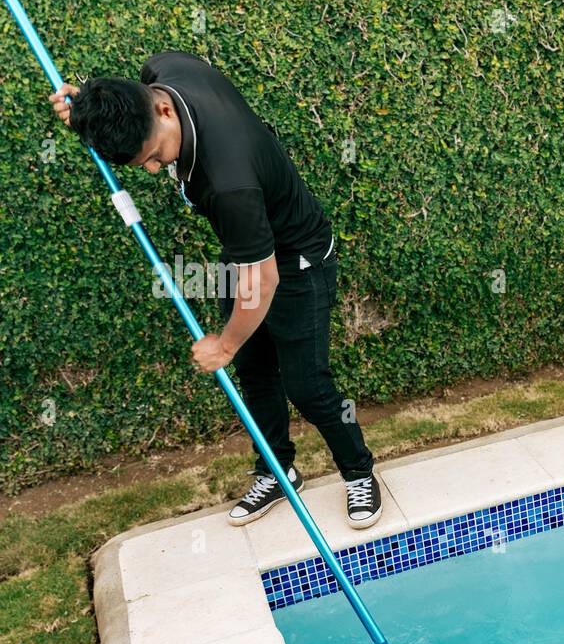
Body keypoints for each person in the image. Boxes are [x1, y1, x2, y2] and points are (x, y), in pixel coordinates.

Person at [50, 50, 381, 529]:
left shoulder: (229, 183)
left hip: (296, 261)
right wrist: (88, 106)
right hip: (247, 250)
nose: (151, 168)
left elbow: (263, 281)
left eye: (154, 155)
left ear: (164, 112)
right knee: (255, 372)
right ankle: (277, 468)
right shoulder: (166, 72)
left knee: (307, 387)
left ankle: (358, 471)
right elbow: (127, 92)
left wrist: (223, 345)